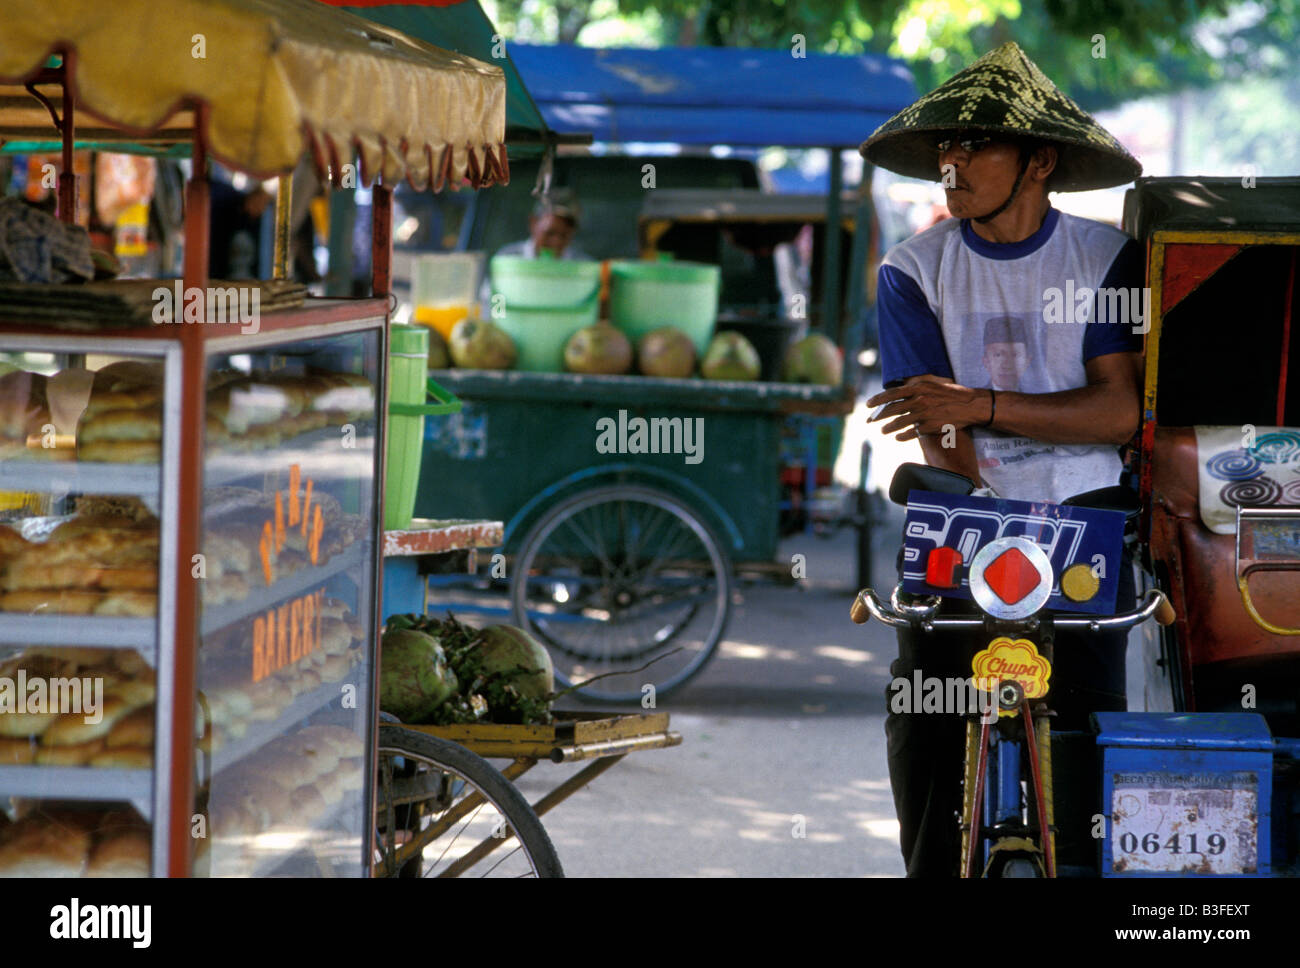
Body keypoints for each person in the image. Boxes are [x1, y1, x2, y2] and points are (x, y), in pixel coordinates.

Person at [858, 42, 1146, 876]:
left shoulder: (1104, 260)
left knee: (1091, 720)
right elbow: (934, 429)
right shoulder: (912, 269)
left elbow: (1119, 411)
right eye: (945, 147)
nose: (951, 161)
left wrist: (983, 403)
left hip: (1087, 517)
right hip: (963, 511)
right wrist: (994, 524)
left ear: (1039, 161)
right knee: (925, 705)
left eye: (976, 145)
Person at [478, 188, 592, 315]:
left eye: (564, 236)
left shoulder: (583, 268)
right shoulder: (508, 260)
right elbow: (493, 306)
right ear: (533, 223)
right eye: (550, 233)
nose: (556, 243)